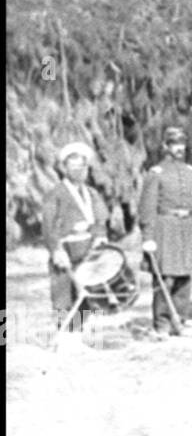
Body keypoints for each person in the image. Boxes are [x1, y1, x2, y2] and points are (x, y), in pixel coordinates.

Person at [139, 126, 192, 336]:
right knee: (166, 277)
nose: (179, 148)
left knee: (185, 277)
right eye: (174, 144)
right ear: (165, 146)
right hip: (165, 227)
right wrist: (148, 236)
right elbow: (147, 207)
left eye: (181, 144)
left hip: (186, 228)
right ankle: (162, 323)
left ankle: (180, 319)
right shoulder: (155, 173)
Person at [41, 141, 113, 337]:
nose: (78, 170)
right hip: (66, 250)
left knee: (87, 295)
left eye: (82, 166)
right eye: (73, 165)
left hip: (88, 249)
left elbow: (101, 218)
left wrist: (100, 237)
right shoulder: (55, 194)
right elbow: (48, 225)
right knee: (63, 294)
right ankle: (65, 335)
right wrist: (56, 249)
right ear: (64, 167)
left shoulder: (92, 193)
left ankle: (82, 332)